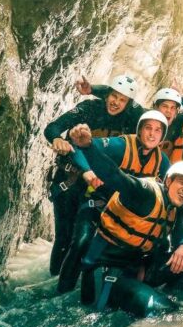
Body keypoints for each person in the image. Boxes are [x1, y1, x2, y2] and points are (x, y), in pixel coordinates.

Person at [68, 123, 183, 317]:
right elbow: (114, 176)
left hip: (134, 270)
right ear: (168, 181)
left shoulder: (175, 210)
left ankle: (159, 296)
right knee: (164, 311)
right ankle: (152, 301)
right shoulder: (145, 193)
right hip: (106, 273)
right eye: (182, 182)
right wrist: (88, 147)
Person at [57, 110, 171, 293]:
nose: (152, 134)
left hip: (126, 217)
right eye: (148, 128)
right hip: (98, 205)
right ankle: (62, 290)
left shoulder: (163, 162)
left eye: (158, 130)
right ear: (140, 130)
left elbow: (169, 194)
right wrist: (87, 170)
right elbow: (81, 146)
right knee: (81, 242)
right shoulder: (121, 145)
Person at [43, 74, 143, 276]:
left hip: (101, 187)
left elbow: (152, 116)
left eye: (122, 99)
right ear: (107, 95)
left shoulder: (131, 119)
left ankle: (77, 282)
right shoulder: (89, 109)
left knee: (86, 238)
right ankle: (54, 280)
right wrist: (57, 139)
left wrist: (94, 88)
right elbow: (52, 127)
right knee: (64, 237)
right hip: (71, 181)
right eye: (113, 96)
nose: (116, 102)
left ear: (128, 104)